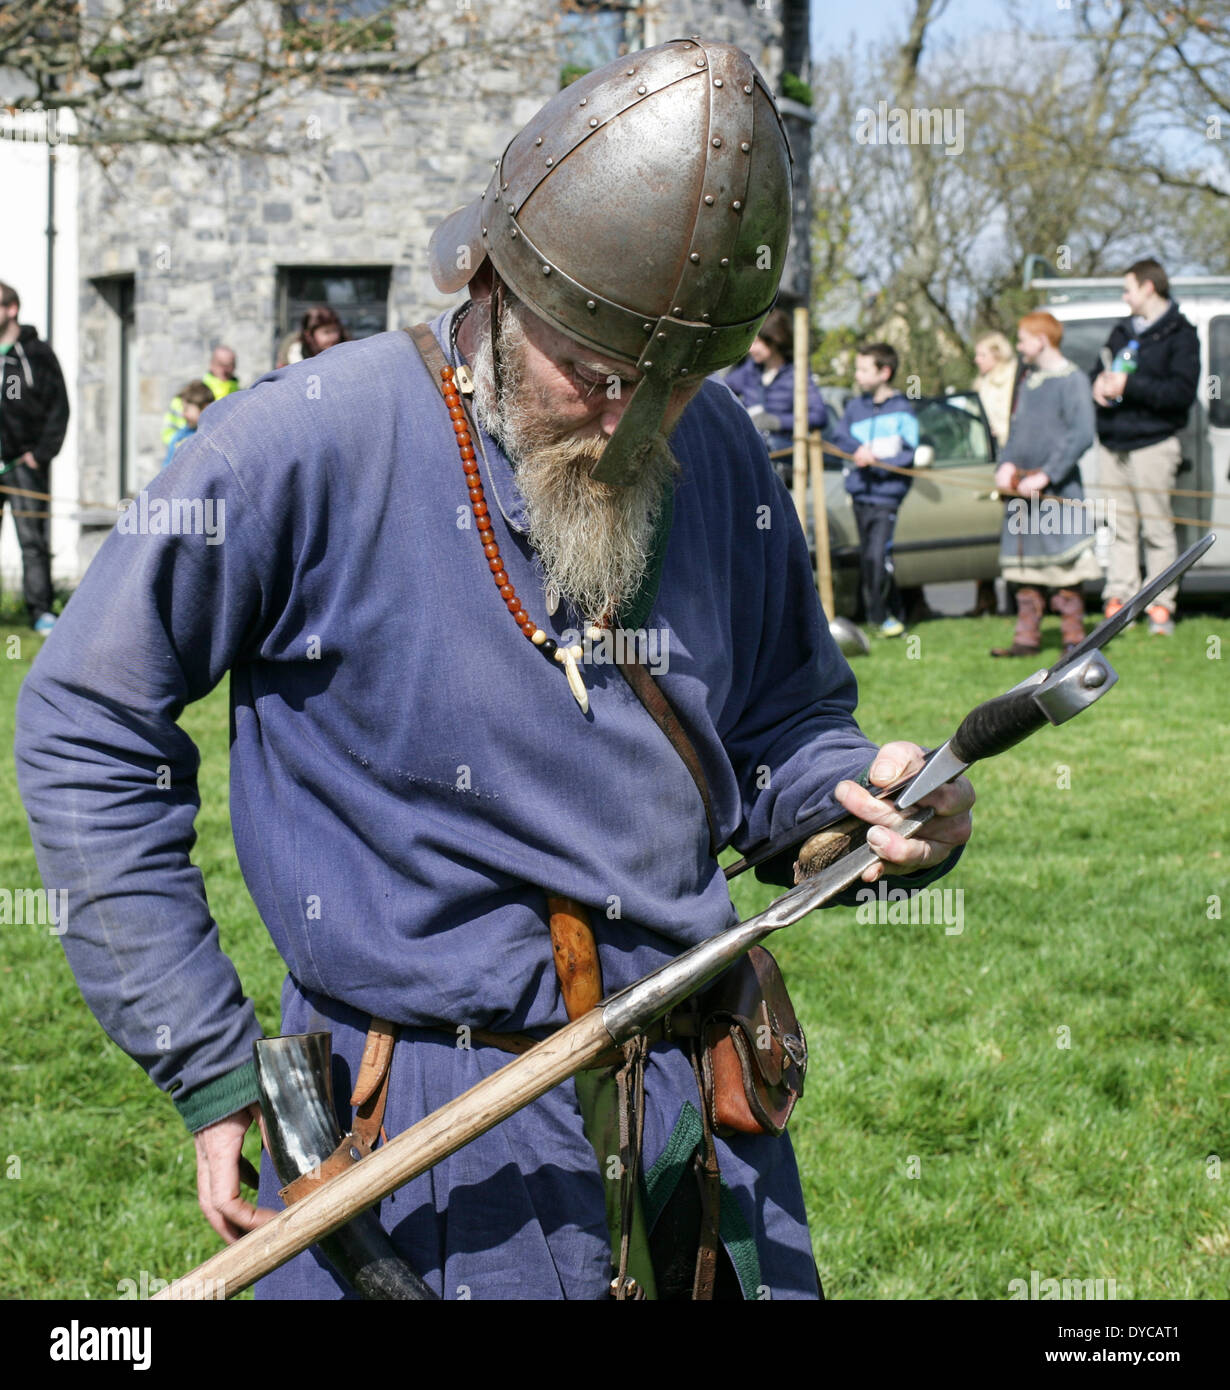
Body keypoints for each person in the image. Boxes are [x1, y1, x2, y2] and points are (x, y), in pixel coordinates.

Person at [15, 39, 973, 1302]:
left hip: (693, 1110)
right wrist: (201, 1053)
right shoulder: (295, 448)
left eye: (677, 385)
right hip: (416, 1145)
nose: (633, 427)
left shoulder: (723, 456)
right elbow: (87, 722)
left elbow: (786, 728)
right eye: (597, 374)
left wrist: (862, 801)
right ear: (498, 287)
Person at [1090, 258, 1199, 635]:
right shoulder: (1122, 332)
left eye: (1128, 289)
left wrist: (1128, 387)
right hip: (1113, 443)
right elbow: (1101, 367)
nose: (1125, 297)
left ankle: (1160, 605)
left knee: (1156, 528)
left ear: (1149, 288)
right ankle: (1119, 598)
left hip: (1153, 443)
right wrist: (1098, 385)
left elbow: (1181, 393)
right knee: (1120, 528)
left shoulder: (1181, 334)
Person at [989, 313, 1098, 659]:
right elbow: (1016, 431)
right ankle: (1027, 639)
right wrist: (1005, 465)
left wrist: (1046, 474)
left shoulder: (1073, 380)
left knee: (1065, 571)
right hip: (1022, 492)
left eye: (1022, 340)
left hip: (1057, 491)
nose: (1018, 347)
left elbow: (1080, 434)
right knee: (1026, 571)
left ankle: (1074, 640)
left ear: (1041, 340)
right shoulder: (1028, 380)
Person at [829, 342, 918, 638]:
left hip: (886, 495)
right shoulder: (855, 407)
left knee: (878, 555)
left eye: (863, 369)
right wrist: (860, 450)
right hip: (861, 493)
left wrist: (877, 460)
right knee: (870, 555)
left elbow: (908, 453)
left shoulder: (903, 408)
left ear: (885, 372)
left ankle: (881, 617)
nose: (857, 375)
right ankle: (887, 614)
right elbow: (840, 437)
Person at [0, 280, 70, 635]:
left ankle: (40, 610)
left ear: (11, 308)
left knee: (32, 539)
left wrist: (40, 455)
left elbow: (59, 408)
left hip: (22, 465)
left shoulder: (37, 353)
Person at [722, 307, 827, 487]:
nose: (750, 349)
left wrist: (777, 422)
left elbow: (819, 416)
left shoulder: (797, 374)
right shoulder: (749, 371)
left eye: (756, 343)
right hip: (750, 462)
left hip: (783, 467)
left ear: (774, 340)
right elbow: (720, 392)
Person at [968, 331, 1022, 616]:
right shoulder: (981, 384)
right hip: (985, 461)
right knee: (984, 528)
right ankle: (984, 597)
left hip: (1009, 459)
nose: (977, 360)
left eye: (982, 355)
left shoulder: (1013, 380)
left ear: (998, 354)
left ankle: (1016, 600)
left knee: (1015, 527)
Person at [162, 345, 240, 446]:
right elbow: (168, 431)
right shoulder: (191, 393)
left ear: (234, 366)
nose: (224, 370)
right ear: (211, 364)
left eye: (228, 365)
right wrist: (185, 447)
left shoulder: (241, 397)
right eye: (220, 364)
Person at [160, 380, 216, 469]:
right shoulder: (180, 437)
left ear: (205, 407)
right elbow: (167, 469)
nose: (183, 414)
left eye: (186, 409)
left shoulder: (215, 437)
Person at [280, 306, 350, 366]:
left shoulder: (348, 351)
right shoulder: (295, 353)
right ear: (309, 334)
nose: (333, 337)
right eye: (326, 332)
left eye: (335, 330)